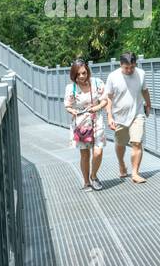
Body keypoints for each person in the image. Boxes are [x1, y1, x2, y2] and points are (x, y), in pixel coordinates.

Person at [65, 59, 112, 191]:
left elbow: (105, 100)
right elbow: (68, 106)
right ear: (74, 75)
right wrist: (72, 110)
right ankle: (86, 182)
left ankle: (94, 175)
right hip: (81, 123)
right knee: (85, 154)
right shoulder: (71, 88)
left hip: (96, 120)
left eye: (84, 73)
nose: (81, 76)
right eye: (78, 74)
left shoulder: (97, 83)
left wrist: (97, 107)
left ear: (88, 71)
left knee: (98, 151)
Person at [105, 52, 152, 183]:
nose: (130, 70)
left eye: (132, 67)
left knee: (137, 143)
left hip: (137, 113)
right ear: (120, 65)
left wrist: (148, 104)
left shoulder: (141, 74)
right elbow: (108, 97)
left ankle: (135, 173)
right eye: (126, 68)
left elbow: (144, 90)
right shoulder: (113, 77)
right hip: (119, 116)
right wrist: (109, 117)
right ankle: (121, 164)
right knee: (120, 143)